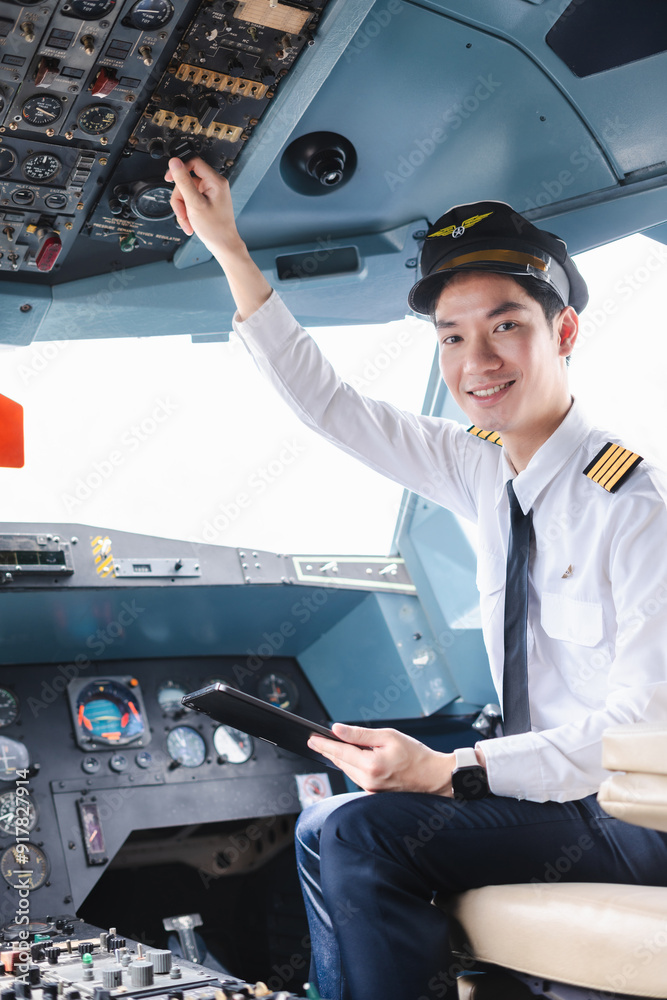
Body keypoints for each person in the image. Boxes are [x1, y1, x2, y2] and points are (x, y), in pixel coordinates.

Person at [166, 157, 667, 1000]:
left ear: (565, 334)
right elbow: (331, 407)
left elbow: (639, 730)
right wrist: (229, 250)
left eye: (505, 326)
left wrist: (455, 769)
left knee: (360, 836)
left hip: (629, 818)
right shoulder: (479, 467)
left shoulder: (631, 504)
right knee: (329, 820)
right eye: (450, 337)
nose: (476, 361)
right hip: (551, 795)